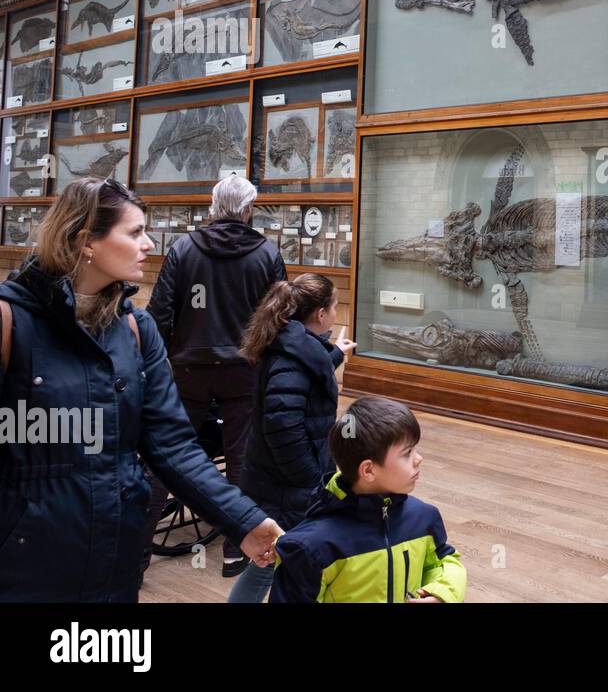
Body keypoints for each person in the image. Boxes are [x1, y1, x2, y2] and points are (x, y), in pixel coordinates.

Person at [0, 177, 281, 602]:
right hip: (26, 564)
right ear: (85, 241)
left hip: (115, 560)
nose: (149, 243)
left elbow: (172, 446)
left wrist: (244, 521)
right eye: (134, 233)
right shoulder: (10, 323)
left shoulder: (134, 329)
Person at [144, 174, 286, 577]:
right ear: (246, 210)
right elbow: (278, 317)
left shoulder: (184, 248)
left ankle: (135, 554)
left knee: (164, 457)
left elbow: (159, 313)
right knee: (242, 460)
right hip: (244, 370)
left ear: (213, 206)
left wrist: (166, 360)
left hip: (188, 369)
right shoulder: (266, 253)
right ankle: (234, 552)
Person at [227, 273, 356, 603]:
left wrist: (335, 354)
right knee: (271, 565)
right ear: (320, 314)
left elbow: (305, 374)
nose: (337, 313)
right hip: (286, 487)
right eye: (335, 306)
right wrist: (312, 481)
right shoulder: (291, 356)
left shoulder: (293, 344)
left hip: (282, 482)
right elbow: (284, 428)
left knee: (274, 563)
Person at [270, 396, 467, 603]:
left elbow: (443, 561)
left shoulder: (423, 517)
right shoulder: (310, 547)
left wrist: (442, 593)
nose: (419, 459)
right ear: (368, 470)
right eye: (407, 453)